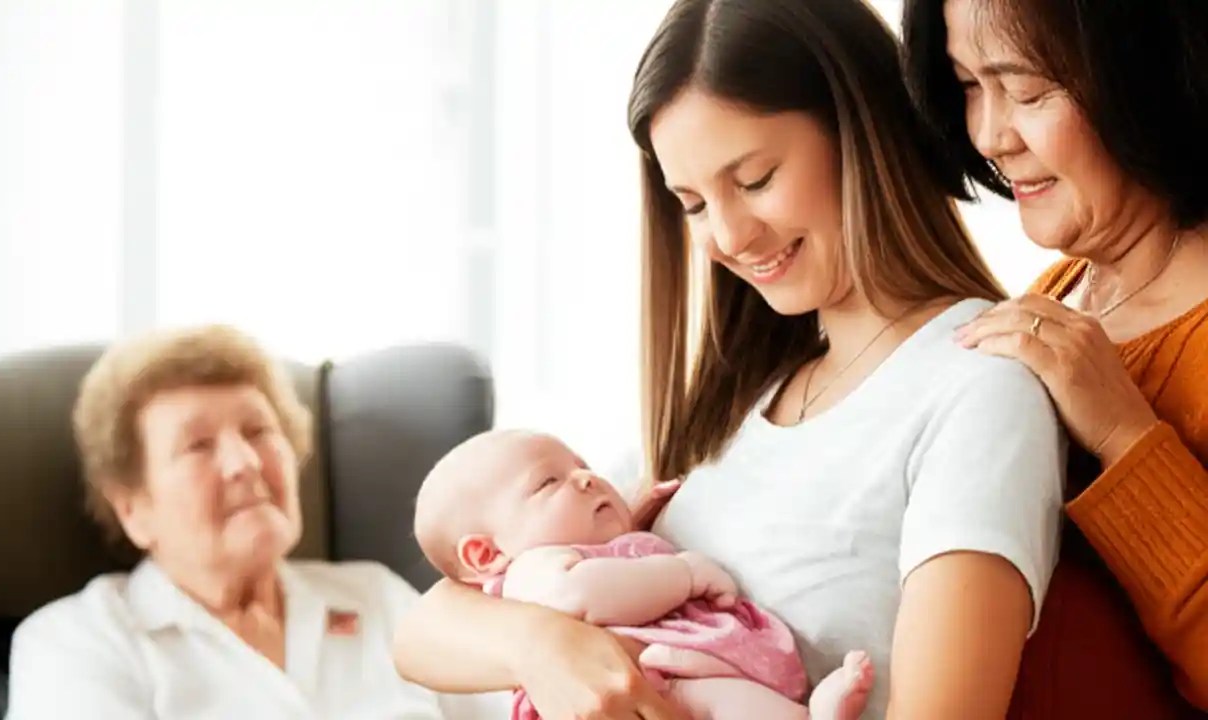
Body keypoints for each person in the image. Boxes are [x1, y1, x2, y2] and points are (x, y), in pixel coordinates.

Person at [393, 0, 1067, 717]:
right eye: (693, 203)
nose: (728, 235)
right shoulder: (741, 400)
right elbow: (423, 630)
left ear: (862, 134)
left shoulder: (979, 384)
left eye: (753, 180)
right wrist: (540, 646)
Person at [901, 0, 1208, 716]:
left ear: (1147, 74)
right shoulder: (1062, 292)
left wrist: (1125, 440)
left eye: (1029, 91)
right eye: (970, 85)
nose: (989, 135)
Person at [4, 325, 507, 719]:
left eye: (259, 430)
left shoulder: (378, 597)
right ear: (133, 509)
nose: (244, 462)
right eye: (198, 445)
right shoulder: (78, 641)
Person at [414, 428, 875, 720]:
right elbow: (580, 595)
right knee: (712, 701)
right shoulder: (532, 570)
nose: (586, 479)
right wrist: (684, 574)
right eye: (548, 482)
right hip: (639, 689)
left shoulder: (607, 540)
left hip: (674, 680)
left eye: (583, 466)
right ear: (485, 553)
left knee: (727, 702)